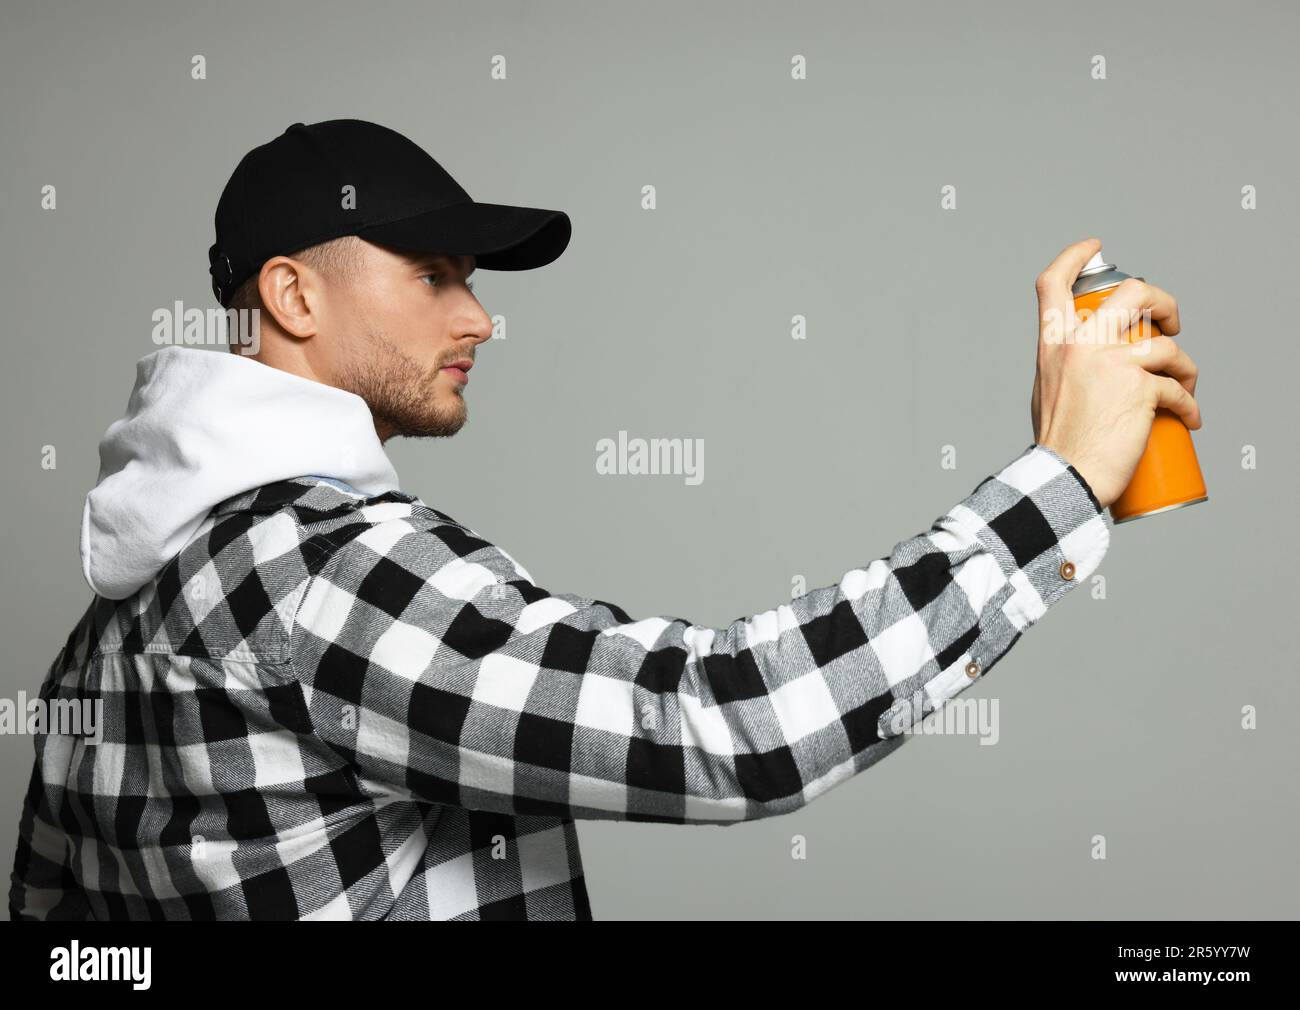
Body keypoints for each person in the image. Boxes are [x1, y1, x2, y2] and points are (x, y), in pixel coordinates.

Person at [8, 119, 1202, 920]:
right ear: (292, 293)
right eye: (435, 274)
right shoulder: (320, 574)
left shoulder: (123, 606)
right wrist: (1062, 480)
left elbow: (59, 929)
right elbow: (728, 725)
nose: (477, 317)